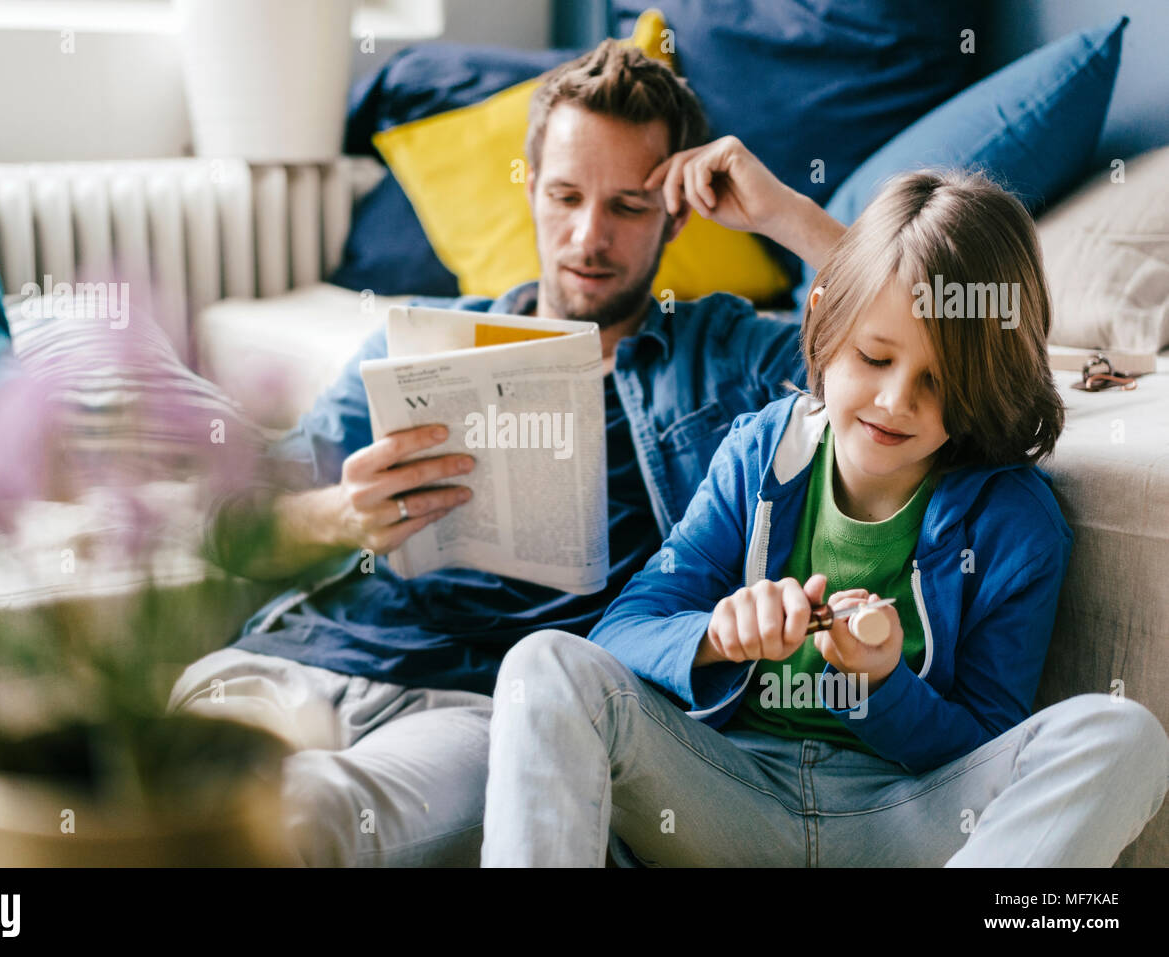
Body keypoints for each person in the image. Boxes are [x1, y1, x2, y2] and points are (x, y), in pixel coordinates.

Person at [166, 39, 847, 865]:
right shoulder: (418, 342)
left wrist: (781, 214)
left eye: (628, 206)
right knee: (158, 788)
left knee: (294, 812)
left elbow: (913, 342)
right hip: (304, 656)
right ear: (530, 190)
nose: (587, 237)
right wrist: (340, 514)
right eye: (564, 196)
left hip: (476, 709)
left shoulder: (721, 353)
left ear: (675, 213)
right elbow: (230, 525)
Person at [481, 168, 1169, 867]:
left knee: (1123, 734)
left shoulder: (1014, 521)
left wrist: (878, 686)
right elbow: (622, 631)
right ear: (827, 324)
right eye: (875, 357)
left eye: (939, 381)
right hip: (727, 798)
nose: (896, 401)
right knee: (544, 664)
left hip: (906, 819)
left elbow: (985, 744)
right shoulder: (760, 453)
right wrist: (718, 635)